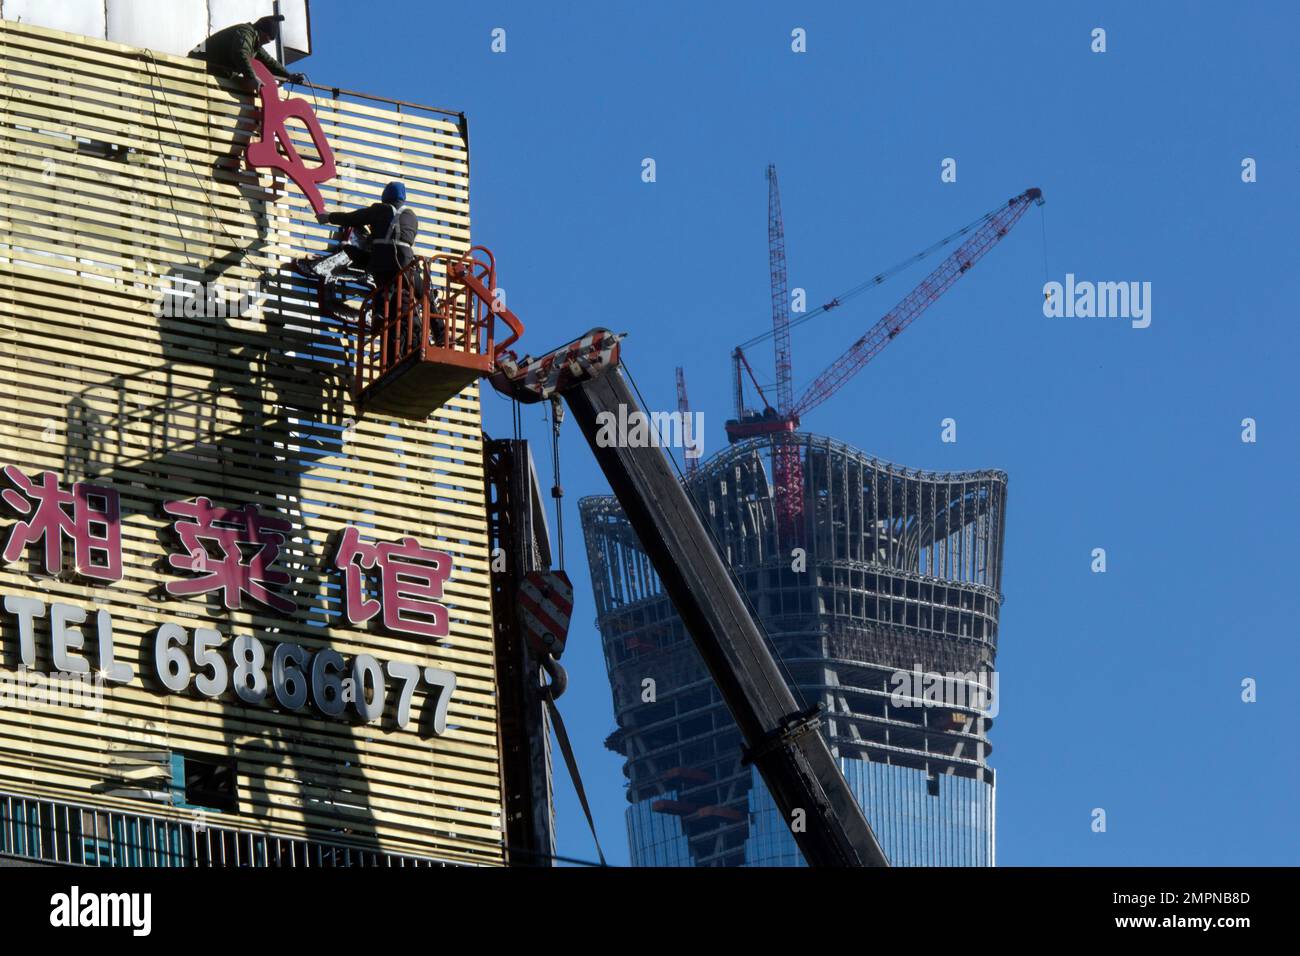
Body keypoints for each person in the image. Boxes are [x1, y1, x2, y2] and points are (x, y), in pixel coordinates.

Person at [318, 182, 442, 352]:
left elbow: (353, 218)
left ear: (385, 197)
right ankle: (440, 333)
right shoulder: (411, 216)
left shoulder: (379, 210)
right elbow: (407, 237)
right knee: (424, 294)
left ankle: (378, 316)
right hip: (407, 262)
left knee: (385, 289)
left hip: (383, 261)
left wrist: (329, 217)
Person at [200, 15, 304, 88]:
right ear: (260, 31)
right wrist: (251, 77)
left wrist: (288, 75)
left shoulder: (255, 43)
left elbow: (269, 62)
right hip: (200, 67)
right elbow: (240, 53)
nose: (263, 44)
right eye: (265, 40)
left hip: (211, 71)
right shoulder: (245, 32)